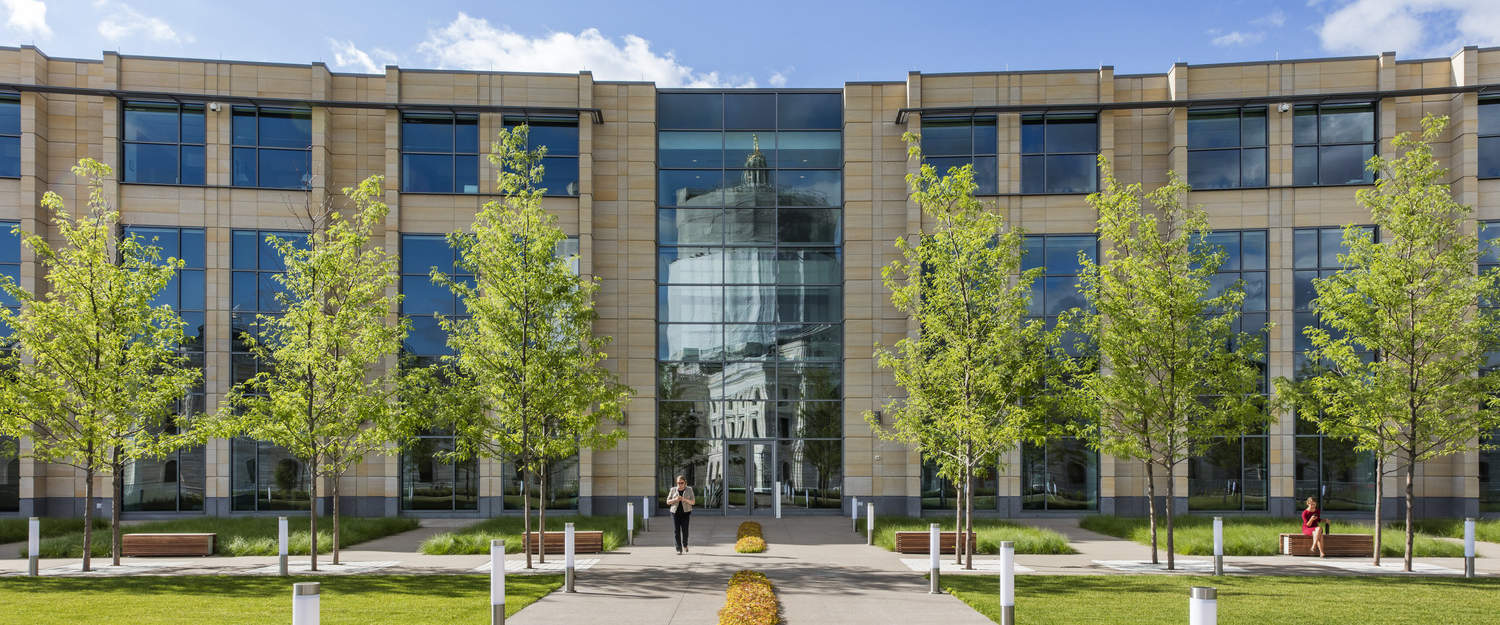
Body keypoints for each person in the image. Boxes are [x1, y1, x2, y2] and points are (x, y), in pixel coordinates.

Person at [666, 475, 696, 555]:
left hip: (686, 513)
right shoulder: (673, 490)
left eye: (681, 483)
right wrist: (675, 499)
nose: (679, 484)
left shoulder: (689, 489)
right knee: (676, 531)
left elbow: (693, 502)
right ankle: (679, 548)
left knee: (685, 530)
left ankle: (685, 544)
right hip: (675, 513)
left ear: (685, 483)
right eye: (678, 483)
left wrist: (684, 499)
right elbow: (668, 502)